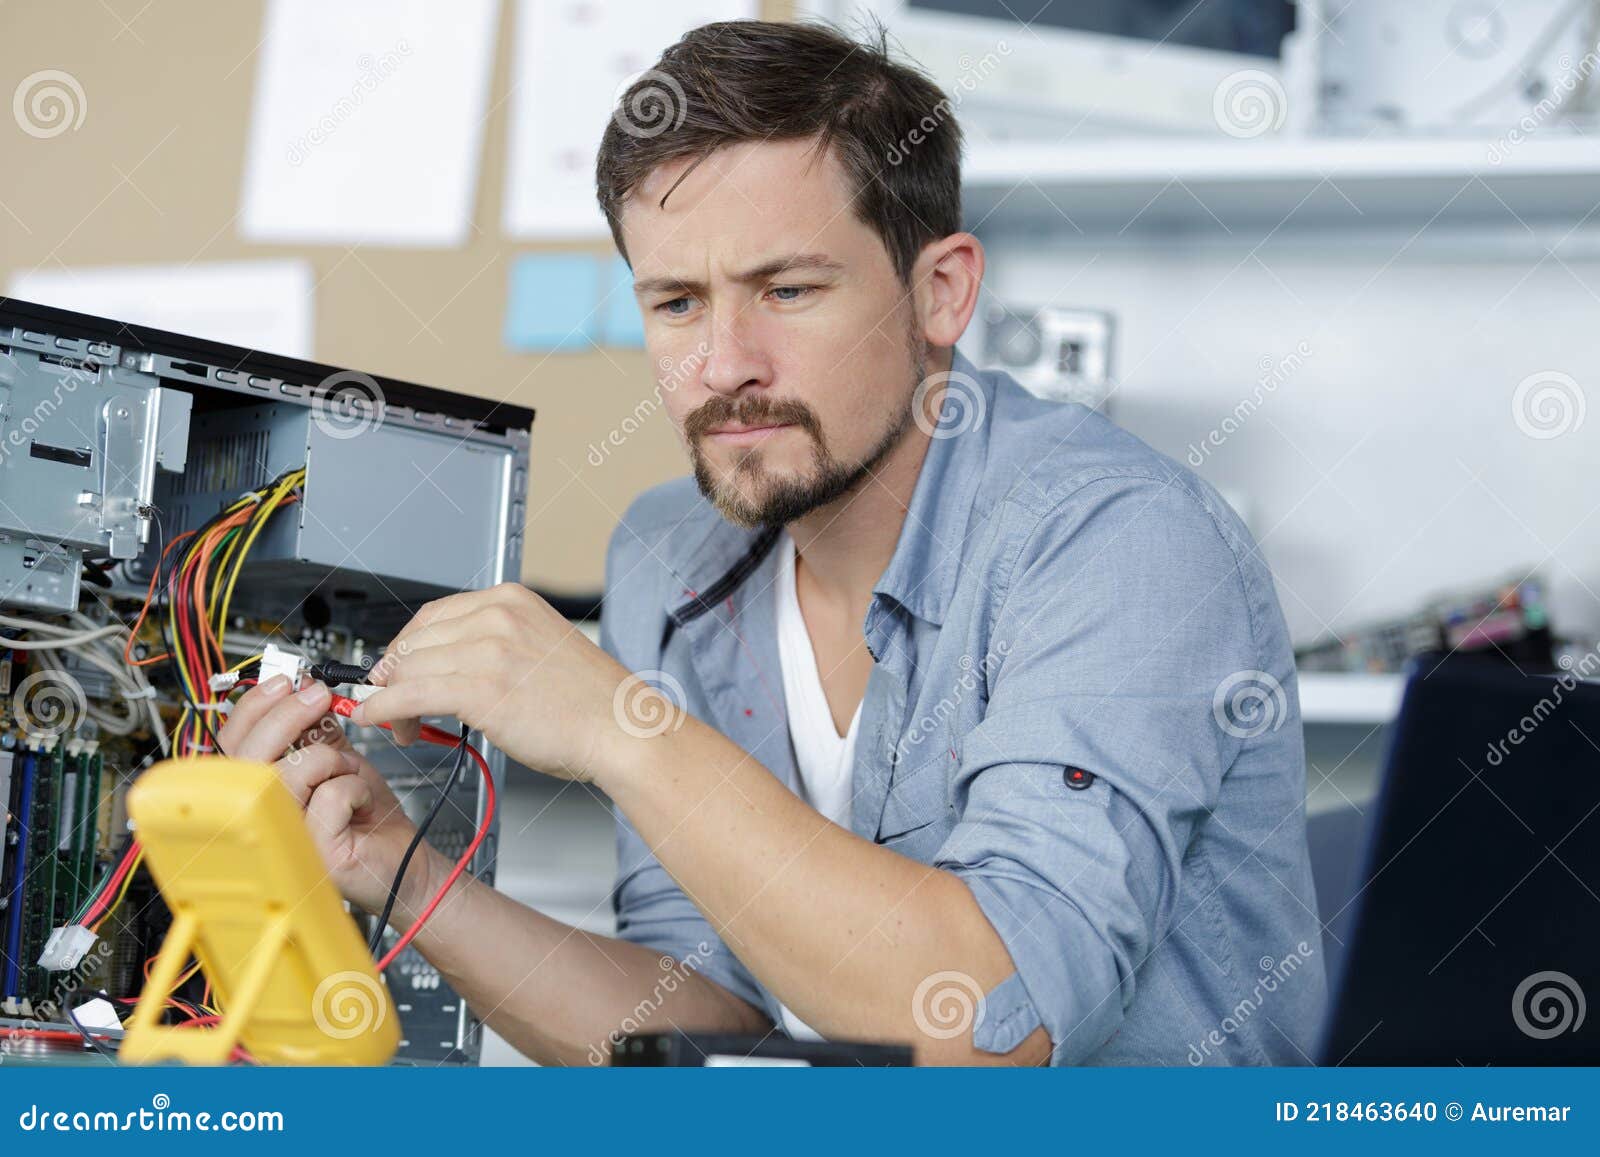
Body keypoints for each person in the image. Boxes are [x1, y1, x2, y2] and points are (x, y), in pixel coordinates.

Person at [219, 19, 1325, 1066]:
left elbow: (989, 1026)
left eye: (786, 289)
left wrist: (619, 725)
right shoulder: (669, 554)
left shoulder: (1118, 541)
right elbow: (700, 1023)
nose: (722, 363)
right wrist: (405, 880)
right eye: (676, 303)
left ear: (942, 292)